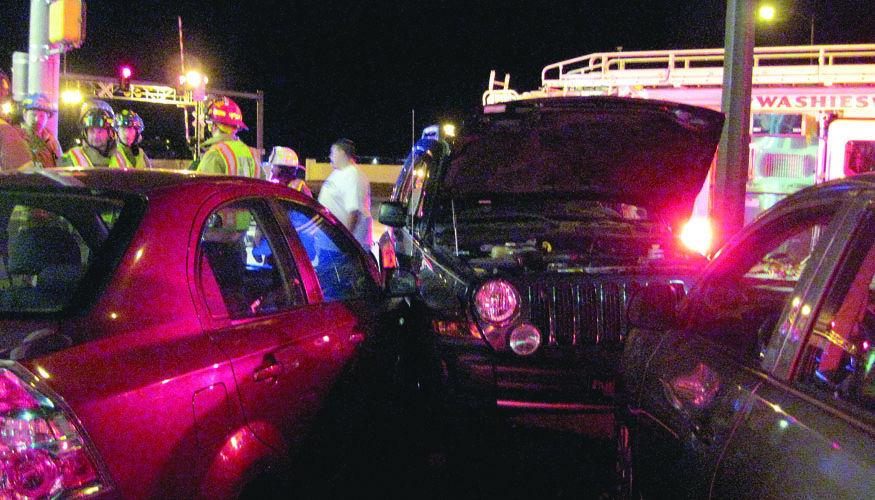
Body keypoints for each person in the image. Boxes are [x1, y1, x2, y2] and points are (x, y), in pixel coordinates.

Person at [317, 138, 372, 250]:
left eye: (332, 152)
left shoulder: (353, 175)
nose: (330, 156)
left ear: (342, 152)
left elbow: (354, 212)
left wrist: (344, 242)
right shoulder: (340, 172)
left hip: (344, 250)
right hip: (331, 245)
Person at [195, 96, 258, 177]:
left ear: (213, 126)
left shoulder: (215, 154)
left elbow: (204, 187)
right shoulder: (252, 155)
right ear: (236, 128)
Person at [18, 93, 63, 169]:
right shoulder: (16, 138)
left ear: (48, 117)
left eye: (42, 116)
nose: (37, 119)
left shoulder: (52, 141)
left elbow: (61, 166)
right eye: (33, 115)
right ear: (25, 115)